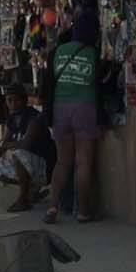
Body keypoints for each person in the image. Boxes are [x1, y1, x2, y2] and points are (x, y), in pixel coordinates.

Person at [45, 11, 101, 224]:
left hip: (60, 108)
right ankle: (83, 211)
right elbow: (100, 83)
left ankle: (52, 207)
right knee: (83, 162)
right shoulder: (93, 53)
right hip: (85, 108)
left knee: (62, 161)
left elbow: (48, 84)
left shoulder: (57, 51)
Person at [0, 83, 55, 212]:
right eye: (9, 100)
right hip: (29, 164)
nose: (12, 104)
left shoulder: (34, 117)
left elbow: (25, 144)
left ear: (25, 100)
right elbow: (3, 141)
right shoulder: (12, 118)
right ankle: (31, 191)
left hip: (45, 167)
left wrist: (3, 146)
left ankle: (24, 200)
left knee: (19, 153)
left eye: (16, 100)